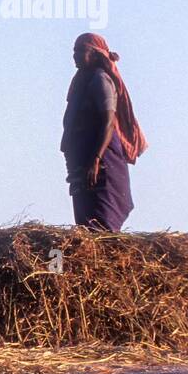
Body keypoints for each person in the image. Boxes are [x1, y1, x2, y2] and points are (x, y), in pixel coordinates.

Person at [61, 33, 146, 231]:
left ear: (95, 53)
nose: (75, 55)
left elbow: (108, 123)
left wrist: (96, 159)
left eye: (81, 50)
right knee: (85, 221)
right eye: (74, 51)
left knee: (101, 221)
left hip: (102, 158)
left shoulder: (100, 80)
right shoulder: (81, 81)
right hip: (82, 160)